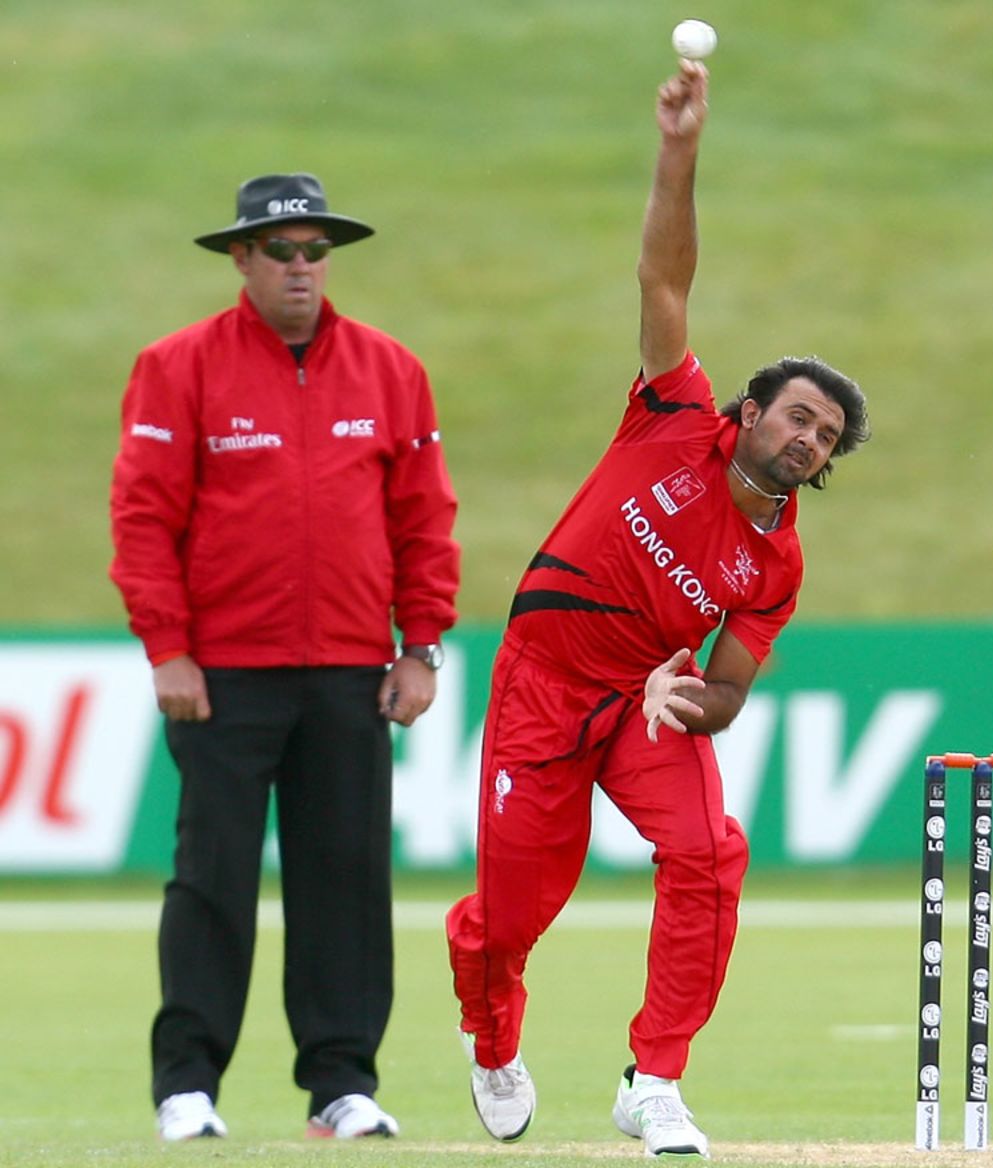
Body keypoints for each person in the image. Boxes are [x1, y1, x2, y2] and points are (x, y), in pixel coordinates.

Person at [445, 61, 869, 1157]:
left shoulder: (776, 564)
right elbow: (664, 277)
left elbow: (731, 683)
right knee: (510, 918)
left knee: (712, 852)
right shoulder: (673, 414)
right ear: (752, 409)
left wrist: (698, 700)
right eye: (799, 415)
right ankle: (492, 1041)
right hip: (541, 683)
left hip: (643, 706)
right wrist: (679, 150)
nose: (808, 438)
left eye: (826, 437)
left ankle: (657, 1077)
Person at [109, 173, 460, 1141]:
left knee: (344, 879)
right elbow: (143, 518)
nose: (302, 267)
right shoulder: (178, 366)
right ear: (242, 259)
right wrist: (168, 650)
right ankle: (188, 1084)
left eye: (316, 250)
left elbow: (424, 520)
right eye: (282, 251)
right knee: (211, 877)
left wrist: (420, 644)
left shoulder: (391, 370)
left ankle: (341, 1084)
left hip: (351, 671)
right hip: (221, 675)